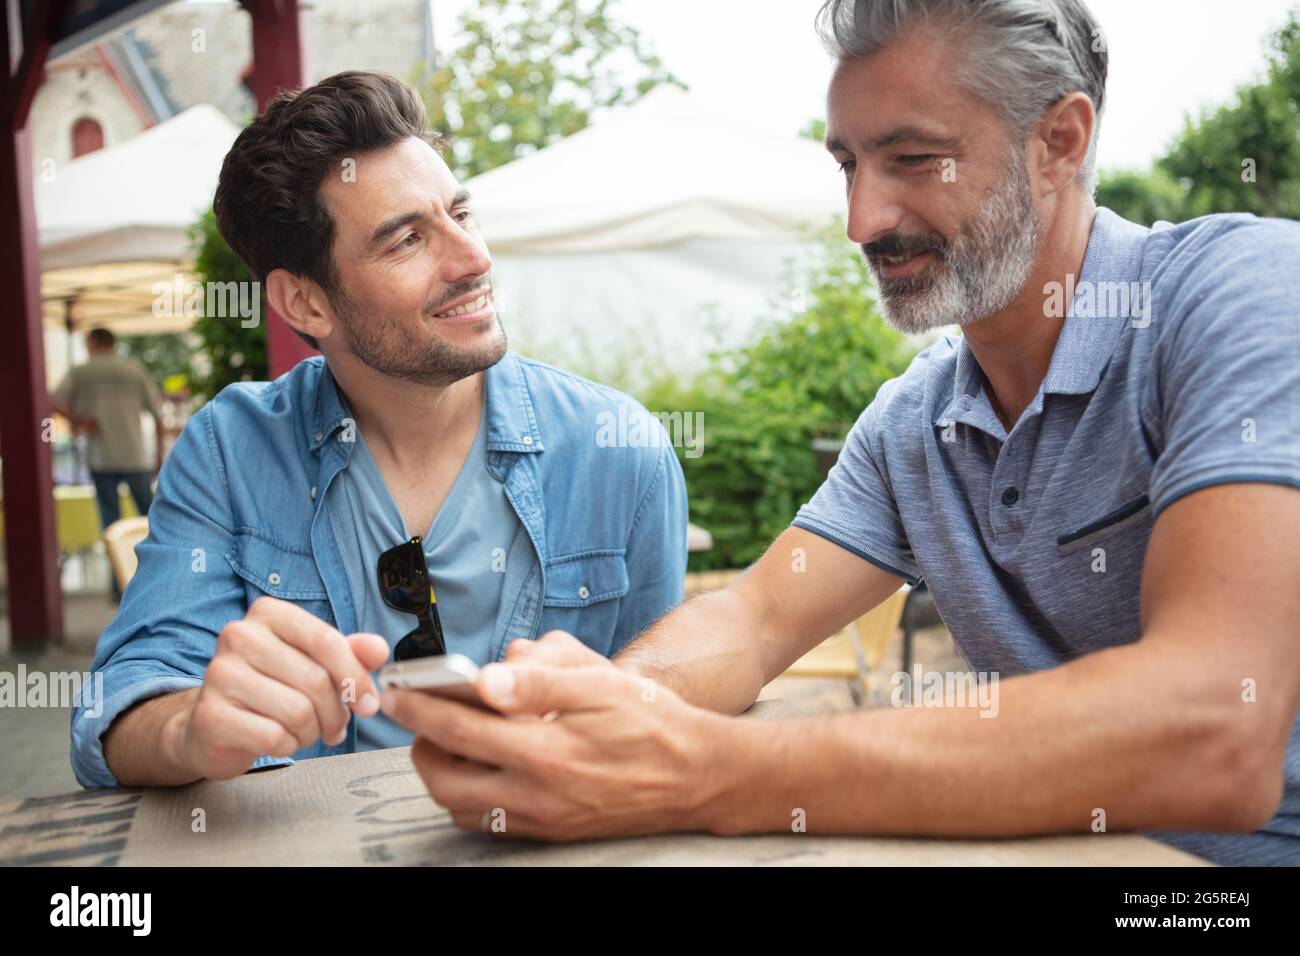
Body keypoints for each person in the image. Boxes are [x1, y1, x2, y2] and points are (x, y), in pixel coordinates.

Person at [379, 0, 1300, 866]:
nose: (864, 220)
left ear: (1058, 142)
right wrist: (599, 708)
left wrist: (700, 772)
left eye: (912, 160)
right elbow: (752, 622)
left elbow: (1217, 726)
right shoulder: (918, 421)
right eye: (850, 165)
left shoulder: (1239, 294)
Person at [69, 72, 687, 791]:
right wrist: (188, 729)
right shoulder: (230, 451)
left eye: (462, 213)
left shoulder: (619, 451)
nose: (473, 258)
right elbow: (118, 703)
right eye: (406, 241)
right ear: (305, 301)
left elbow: (662, 713)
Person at [51, 326, 164, 601]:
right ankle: (159, 581)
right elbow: (158, 412)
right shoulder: (133, 369)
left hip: (100, 457)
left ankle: (119, 588)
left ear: (94, 342)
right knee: (154, 521)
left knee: (111, 524)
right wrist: (159, 453)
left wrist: (79, 421)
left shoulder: (82, 371)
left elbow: (54, 398)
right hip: (135, 455)